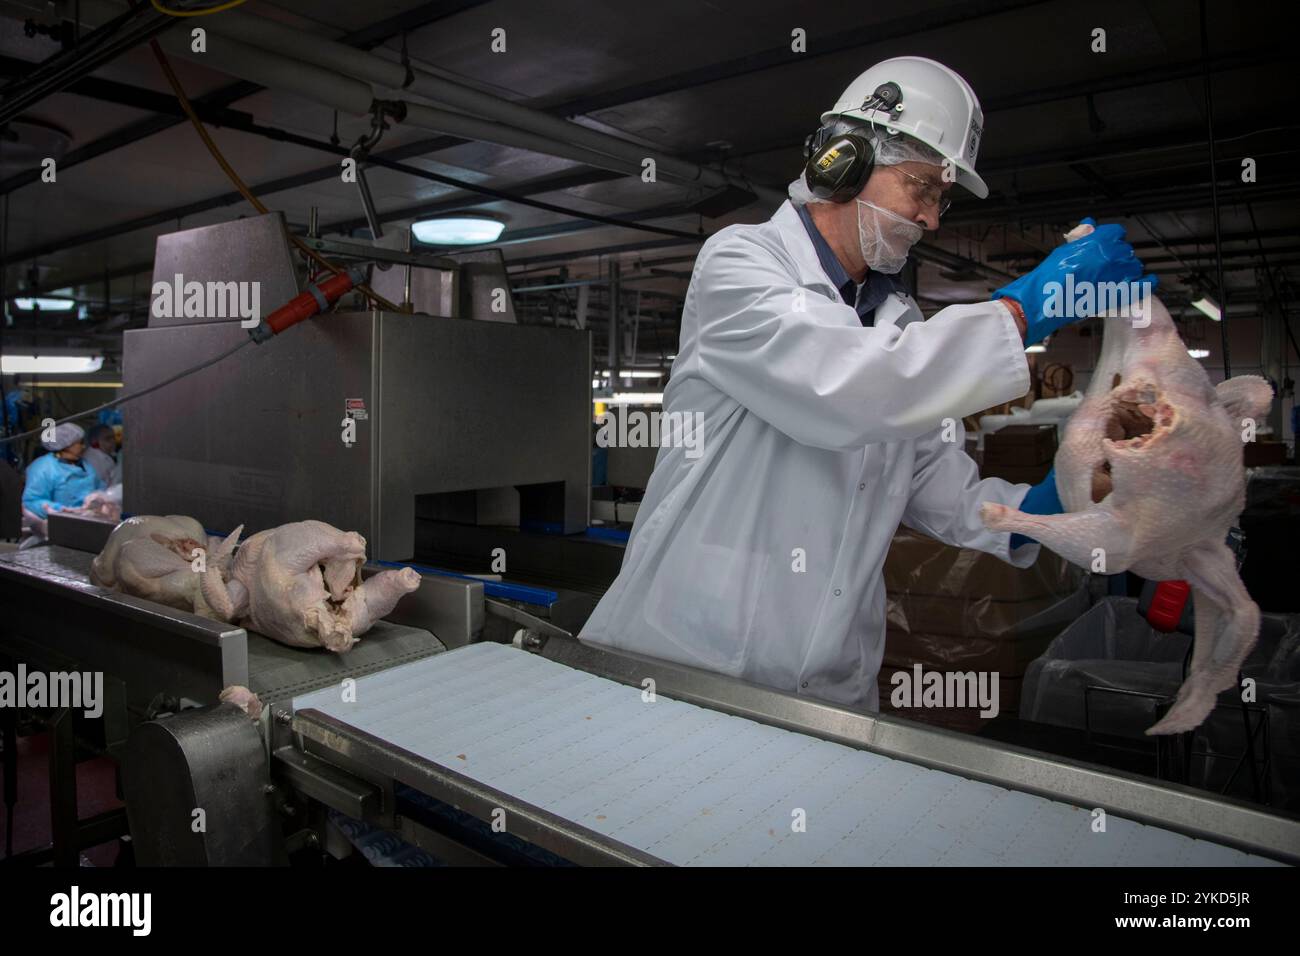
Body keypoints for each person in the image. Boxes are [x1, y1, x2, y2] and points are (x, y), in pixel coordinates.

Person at [579, 56, 1155, 711]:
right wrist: (1026, 306)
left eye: (940, 197)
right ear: (843, 163)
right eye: (925, 189)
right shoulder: (740, 266)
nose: (934, 219)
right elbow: (846, 387)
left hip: (832, 685)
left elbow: (943, 493)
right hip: (688, 665)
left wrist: (1052, 507)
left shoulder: (896, 322)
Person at [22, 422, 106, 522]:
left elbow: (100, 487)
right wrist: (60, 510)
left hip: (89, 520)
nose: (84, 447)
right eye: (80, 443)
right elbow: (32, 501)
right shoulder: (44, 467)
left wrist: (101, 497)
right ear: (67, 444)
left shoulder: (84, 464)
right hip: (57, 525)